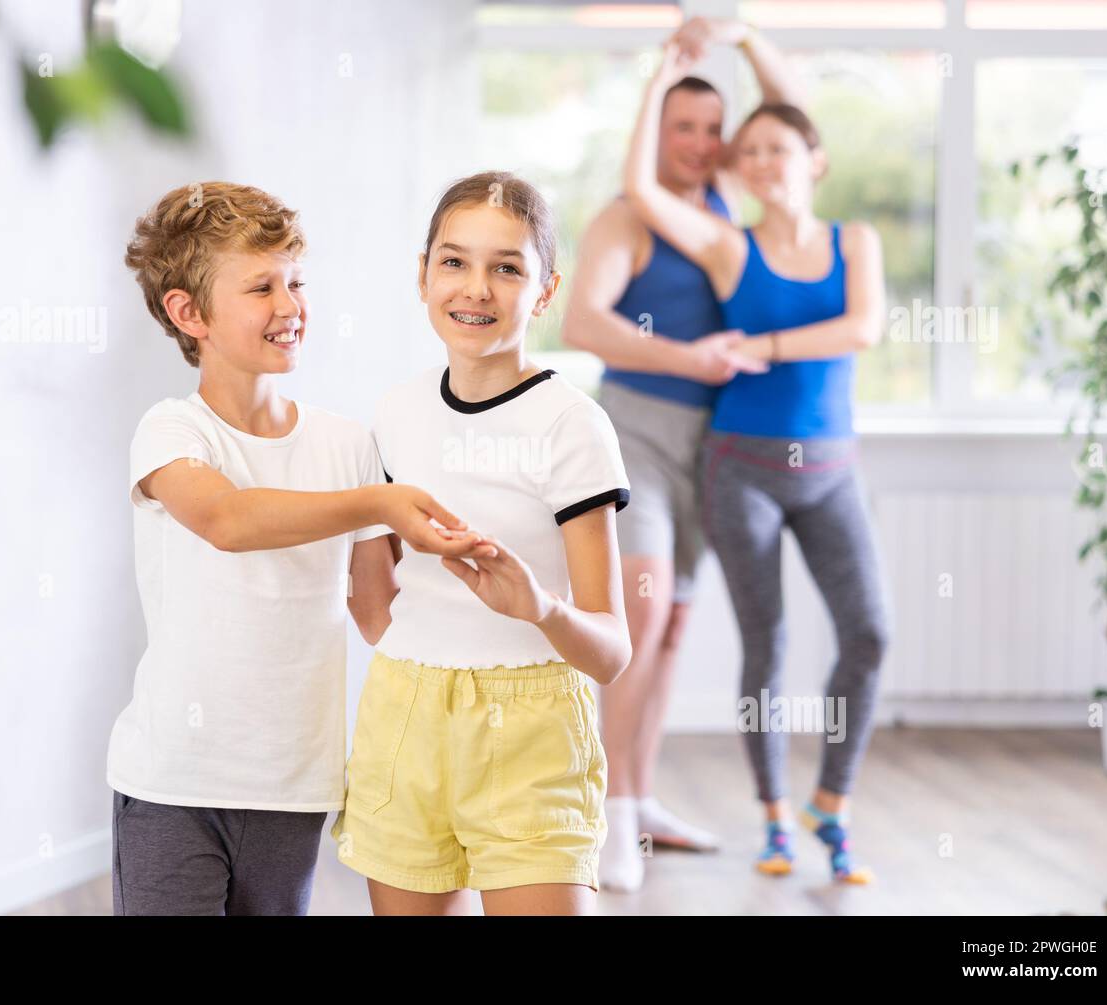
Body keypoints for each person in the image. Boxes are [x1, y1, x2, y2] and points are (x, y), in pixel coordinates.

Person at [108, 181, 489, 915]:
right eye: (261, 287)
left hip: (295, 786)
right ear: (188, 313)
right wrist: (380, 499)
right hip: (173, 783)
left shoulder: (347, 444)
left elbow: (380, 615)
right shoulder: (172, 433)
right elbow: (228, 519)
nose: (290, 306)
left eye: (295, 281)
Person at [330, 171, 633, 915]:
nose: (475, 287)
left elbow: (612, 650)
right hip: (404, 716)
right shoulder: (396, 413)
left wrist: (539, 607)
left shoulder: (572, 425)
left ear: (545, 289)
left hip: (533, 730)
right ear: (424, 273)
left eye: (507, 267)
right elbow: (371, 592)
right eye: (454, 261)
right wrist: (412, 652)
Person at [623, 43, 891, 884]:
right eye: (752, 150)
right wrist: (661, 76)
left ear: (817, 159)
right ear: (740, 169)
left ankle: (831, 801)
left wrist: (743, 38)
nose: (766, 159)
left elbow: (863, 329)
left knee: (870, 633)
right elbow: (640, 188)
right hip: (741, 465)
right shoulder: (727, 246)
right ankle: (775, 813)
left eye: (784, 146)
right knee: (765, 643)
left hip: (832, 470)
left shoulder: (859, 239)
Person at [562, 16, 802, 892]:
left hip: (718, 447)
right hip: (637, 437)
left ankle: (642, 796)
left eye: (713, 130)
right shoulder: (630, 216)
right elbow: (583, 325)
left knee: (673, 635)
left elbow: (793, 116)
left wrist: (743, 34)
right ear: (654, 130)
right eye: (682, 127)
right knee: (640, 624)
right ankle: (609, 816)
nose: (701, 144)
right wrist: (689, 358)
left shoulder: (730, 206)